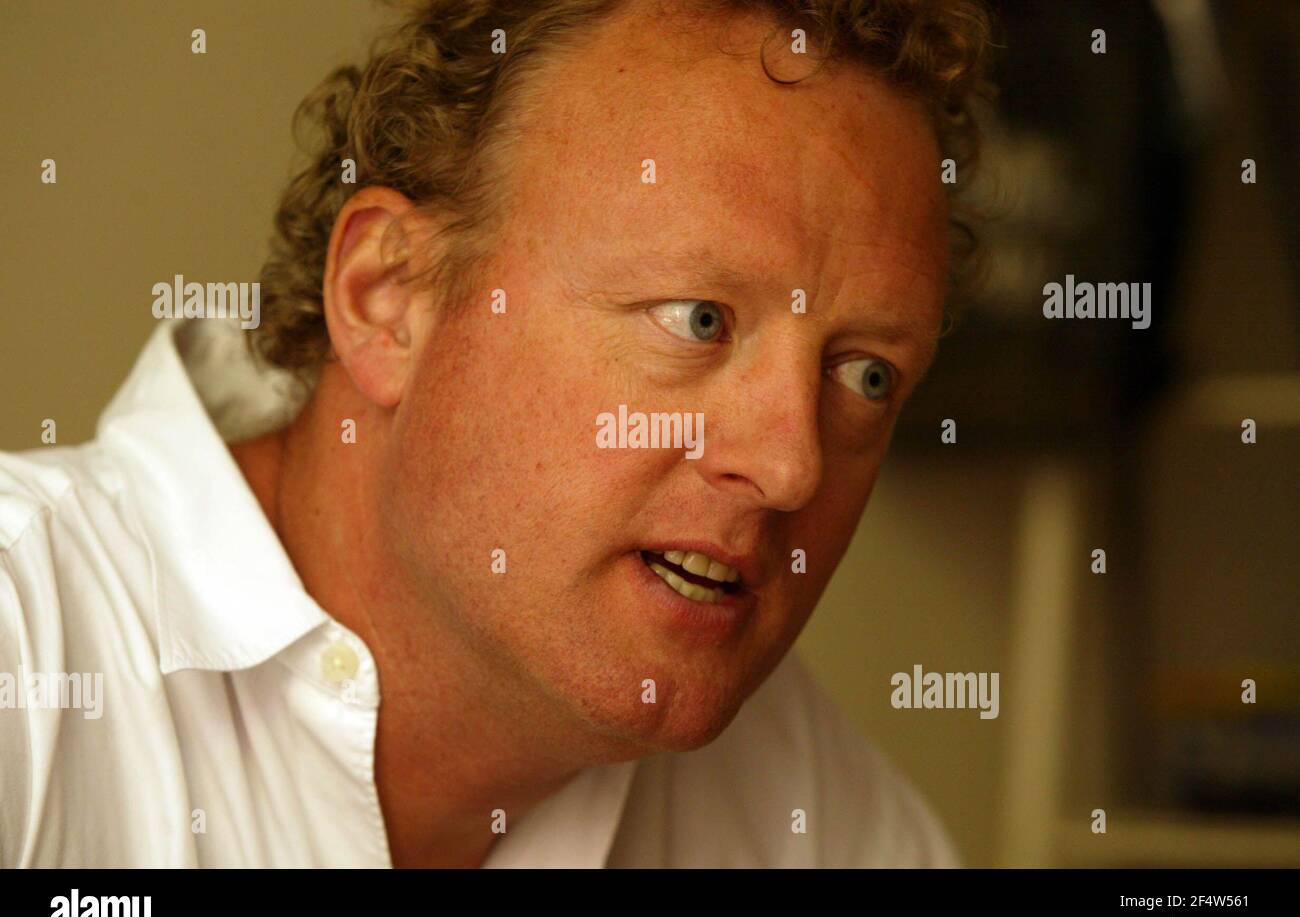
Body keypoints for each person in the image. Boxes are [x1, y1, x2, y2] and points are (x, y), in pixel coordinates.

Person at [0, 0, 990, 867]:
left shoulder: (799, 804)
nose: (787, 466)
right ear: (389, 297)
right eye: (696, 318)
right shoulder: (29, 655)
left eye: (865, 374)